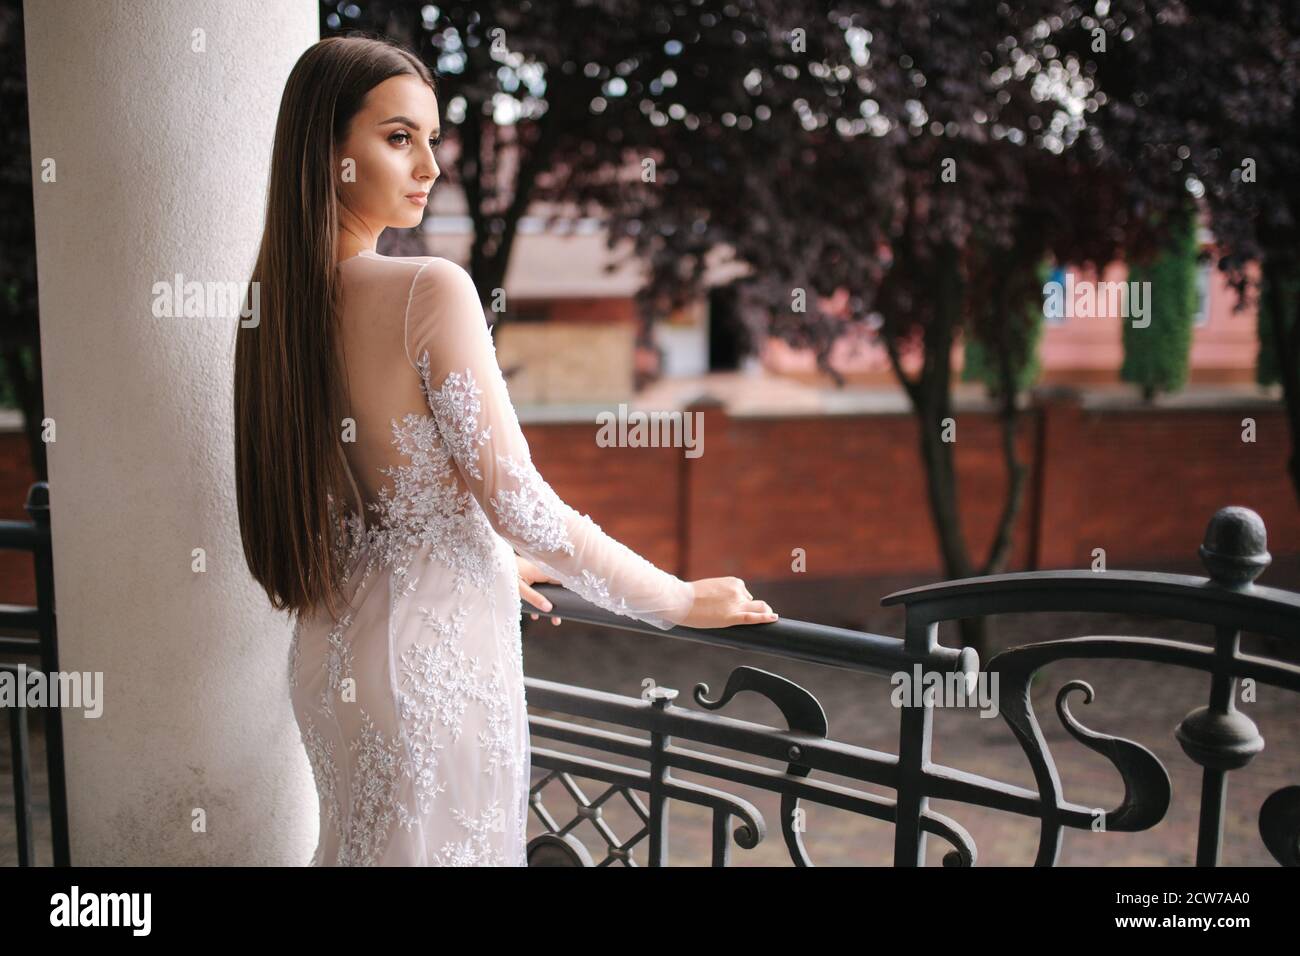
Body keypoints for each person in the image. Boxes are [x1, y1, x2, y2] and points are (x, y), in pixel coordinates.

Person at [233, 34, 778, 867]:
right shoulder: (427, 288)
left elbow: (374, 493)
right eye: (398, 137)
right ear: (328, 150)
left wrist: (484, 559)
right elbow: (515, 497)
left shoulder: (272, 309)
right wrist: (675, 600)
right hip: (431, 676)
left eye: (431, 140)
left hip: (330, 663)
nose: (430, 166)